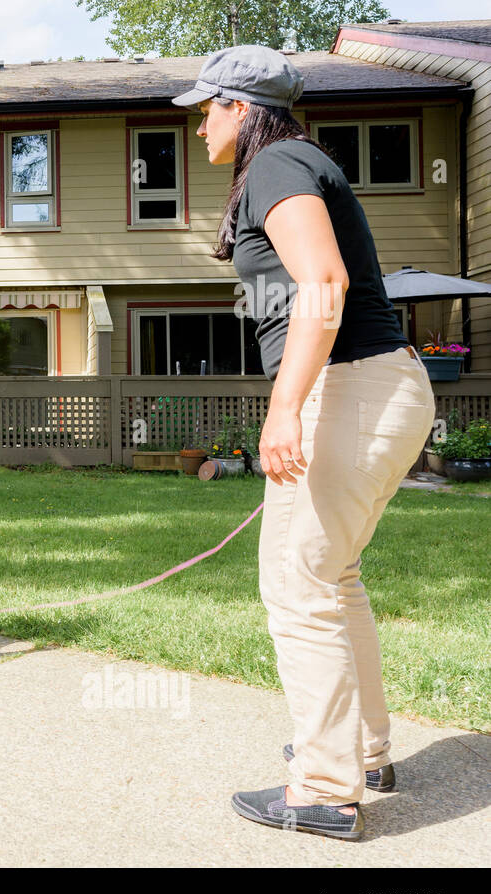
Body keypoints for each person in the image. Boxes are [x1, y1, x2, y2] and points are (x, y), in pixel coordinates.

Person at [172, 46, 435, 840]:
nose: (198, 127)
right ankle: (362, 750)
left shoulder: (277, 163)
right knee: (331, 574)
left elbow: (324, 286)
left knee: (298, 584)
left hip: (349, 388)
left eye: (208, 108)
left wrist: (285, 408)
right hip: (382, 385)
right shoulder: (291, 162)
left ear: (242, 109)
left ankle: (323, 784)